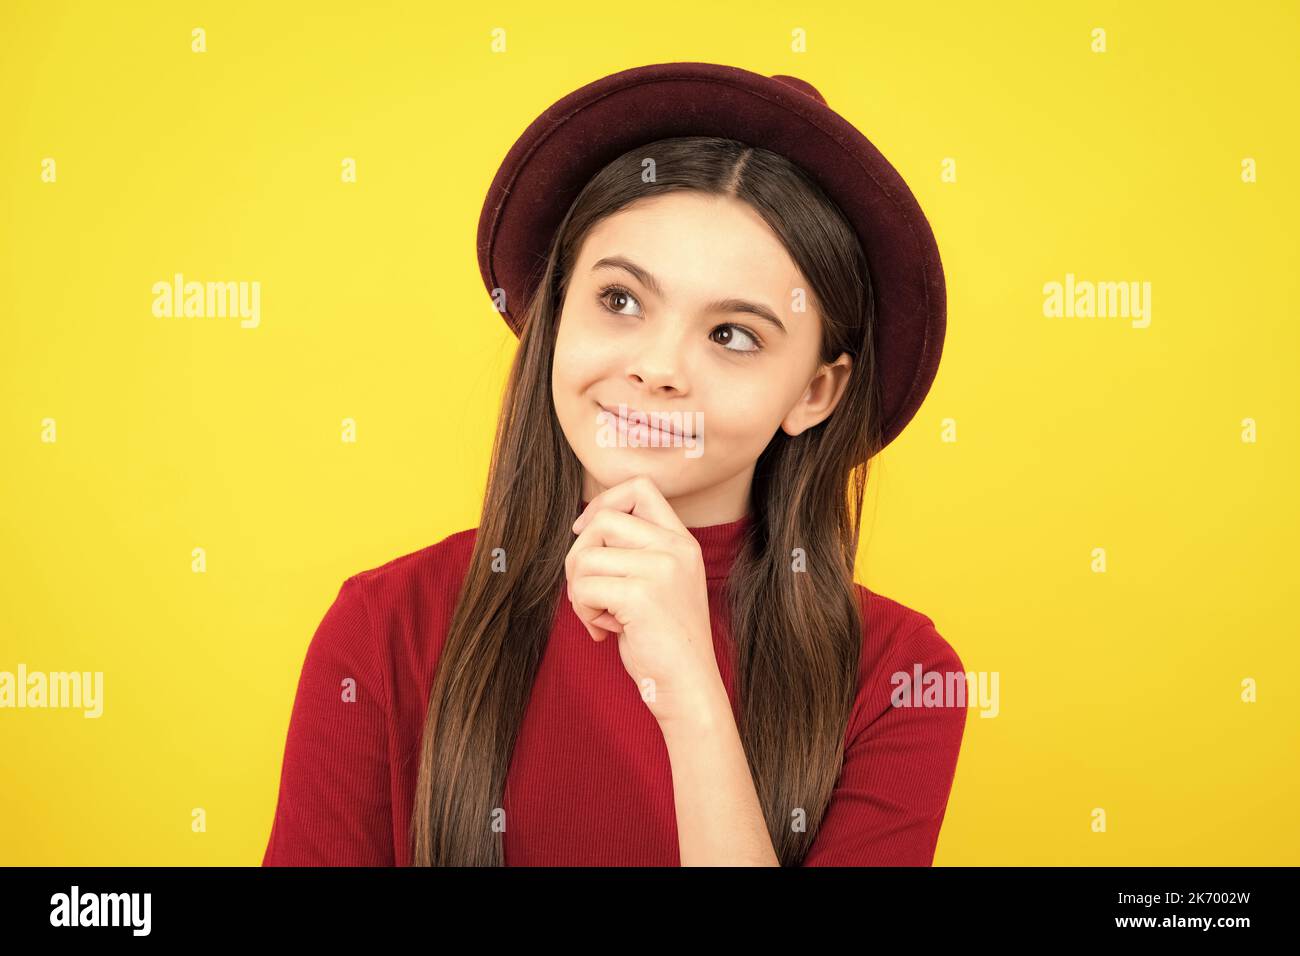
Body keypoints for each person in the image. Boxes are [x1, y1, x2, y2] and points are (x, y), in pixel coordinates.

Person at [262, 62, 965, 867]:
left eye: (733, 334)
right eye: (621, 299)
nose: (659, 367)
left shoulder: (902, 678)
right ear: (559, 307)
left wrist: (693, 699)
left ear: (814, 390)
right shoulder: (386, 627)